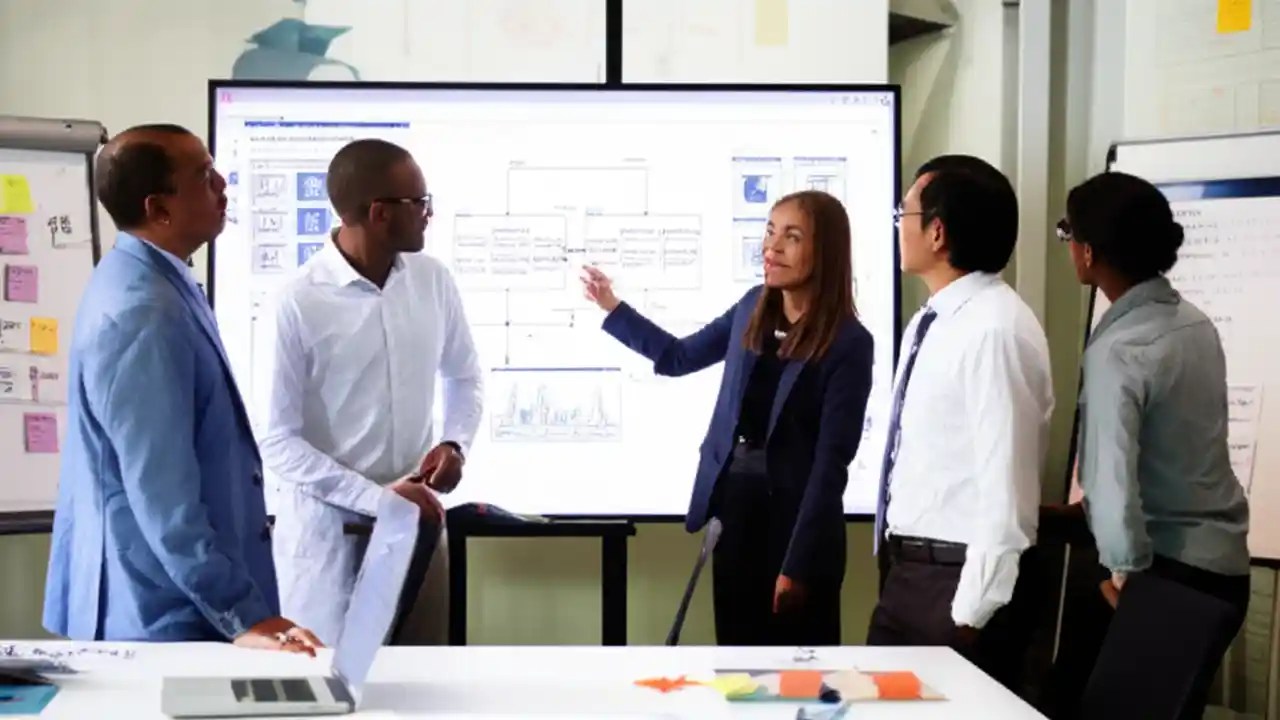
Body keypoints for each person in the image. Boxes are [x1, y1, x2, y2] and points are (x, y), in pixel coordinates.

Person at [43, 124, 320, 652]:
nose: (222, 186)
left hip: (167, 598)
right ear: (159, 208)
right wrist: (244, 616)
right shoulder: (143, 311)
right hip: (157, 612)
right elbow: (163, 496)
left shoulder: (152, 276)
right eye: (204, 176)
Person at [581, 189, 874, 646]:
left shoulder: (849, 343)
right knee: (736, 665)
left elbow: (830, 465)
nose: (772, 247)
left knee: (798, 673)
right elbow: (678, 357)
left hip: (797, 530)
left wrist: (798, 565)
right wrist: (612, 307)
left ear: (826, 250)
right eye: (770, 232)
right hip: (735, 515)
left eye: (792, 237)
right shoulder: (752, 307)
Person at [258, 138, 483, 647]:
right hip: (332, 541)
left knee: (425, 680)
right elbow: (277, 441)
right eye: (420, 202)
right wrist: (378, 500)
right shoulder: (295, 302)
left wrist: (455, 443)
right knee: (335, 683)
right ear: (380, 213)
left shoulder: (432, 280)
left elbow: (464, 376)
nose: (428, 214)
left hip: (418, 530)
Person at [1058, 171, 1250, 719]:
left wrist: (1122, 575)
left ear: (1088, 251)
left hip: (1164, 575)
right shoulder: (1195, 323)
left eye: (1068, 233)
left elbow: (1111, 480)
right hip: (1223, 573)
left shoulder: (1118, 349)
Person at [866, 155, 1053, 689]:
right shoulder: (932, 320)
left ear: (937, 232)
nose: (899, 226)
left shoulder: (994, 329)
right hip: (909, 575)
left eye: (903, 213)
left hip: (957, 585)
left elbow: (1007, 485)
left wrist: (971, 611)